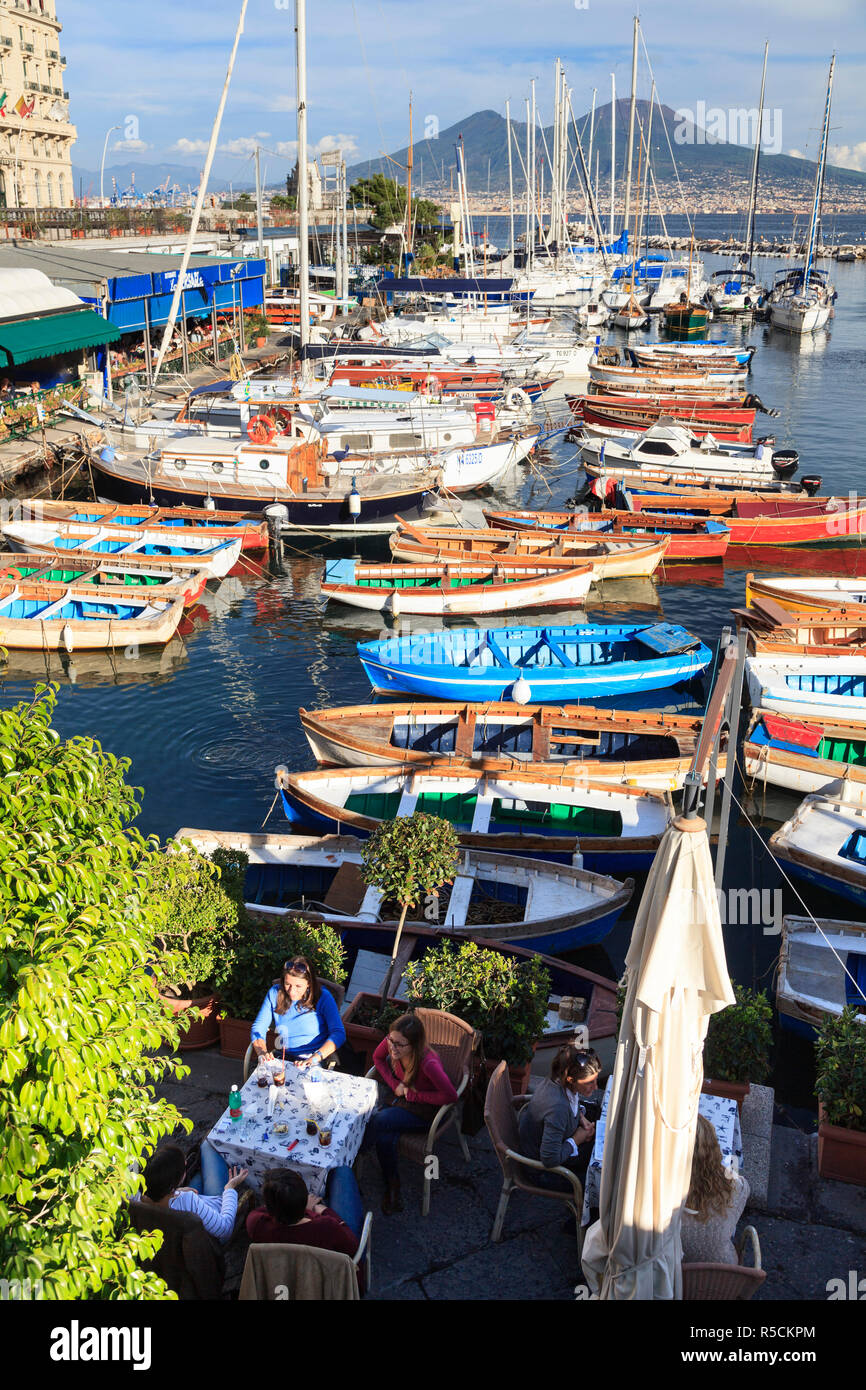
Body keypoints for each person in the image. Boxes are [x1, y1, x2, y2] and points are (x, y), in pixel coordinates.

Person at [367, 1012, 458, 1214]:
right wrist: (395, 1084)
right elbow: (377, 1057)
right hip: (401, 1101)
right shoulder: (392, 1040)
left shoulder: (428, 1063)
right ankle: (393, 1184)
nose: (393, 1047)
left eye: (400, 1044)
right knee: (383, 1137)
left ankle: (359, 1151)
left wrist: (414, 1096)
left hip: (425, 1113)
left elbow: (451, 1096)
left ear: (414, 1045)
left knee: (379, 1119)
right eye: (391, 1040)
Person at [517, 1044, 602, 1193]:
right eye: (590, 1082)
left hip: (545, 1144)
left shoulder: (557, 1078)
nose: (595, 1087)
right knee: (600, 1182)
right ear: (570, 1079)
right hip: (540, 1170)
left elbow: (569, 1104)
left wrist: (580, 1117)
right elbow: (549, 1159)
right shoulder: (558, 1108)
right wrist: (577, 1139)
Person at [245, 1166, 363, 1260]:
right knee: (342, 1172)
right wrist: (325, 1211)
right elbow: (353, 1248)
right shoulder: (327, 1226)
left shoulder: (256, 1224)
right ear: (304, 1197)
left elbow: (260, 1210)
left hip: (284, 1283)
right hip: (329, 1283)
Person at [139, 1143, 248, 1244]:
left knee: (201, 1173)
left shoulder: (138, 1198)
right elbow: (224, 1230)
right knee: (208, 1145)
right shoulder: (188, 1200)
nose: (186, 1163)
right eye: (184, 1167)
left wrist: (178, 1192)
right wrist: (230, 1189)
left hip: (185, 1222)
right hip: (213, 1228)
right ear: (175, 1183)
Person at [250, 956, 346, 1070]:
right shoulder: (275, 993)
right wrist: (262, 1053)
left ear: (309, 983)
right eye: (287, 984)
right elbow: (258, 1027)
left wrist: (315, 1058)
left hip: (312, 1057)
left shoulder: (323, 998)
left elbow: (338, 1033)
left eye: (298, 986)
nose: (291, 991)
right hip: (283, 1055)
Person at [680, 1114, 750, 1266]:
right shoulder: (739, 1188)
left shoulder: (659, 1195)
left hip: (674, 1272)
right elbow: (730, 1226)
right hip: (720, 1275)